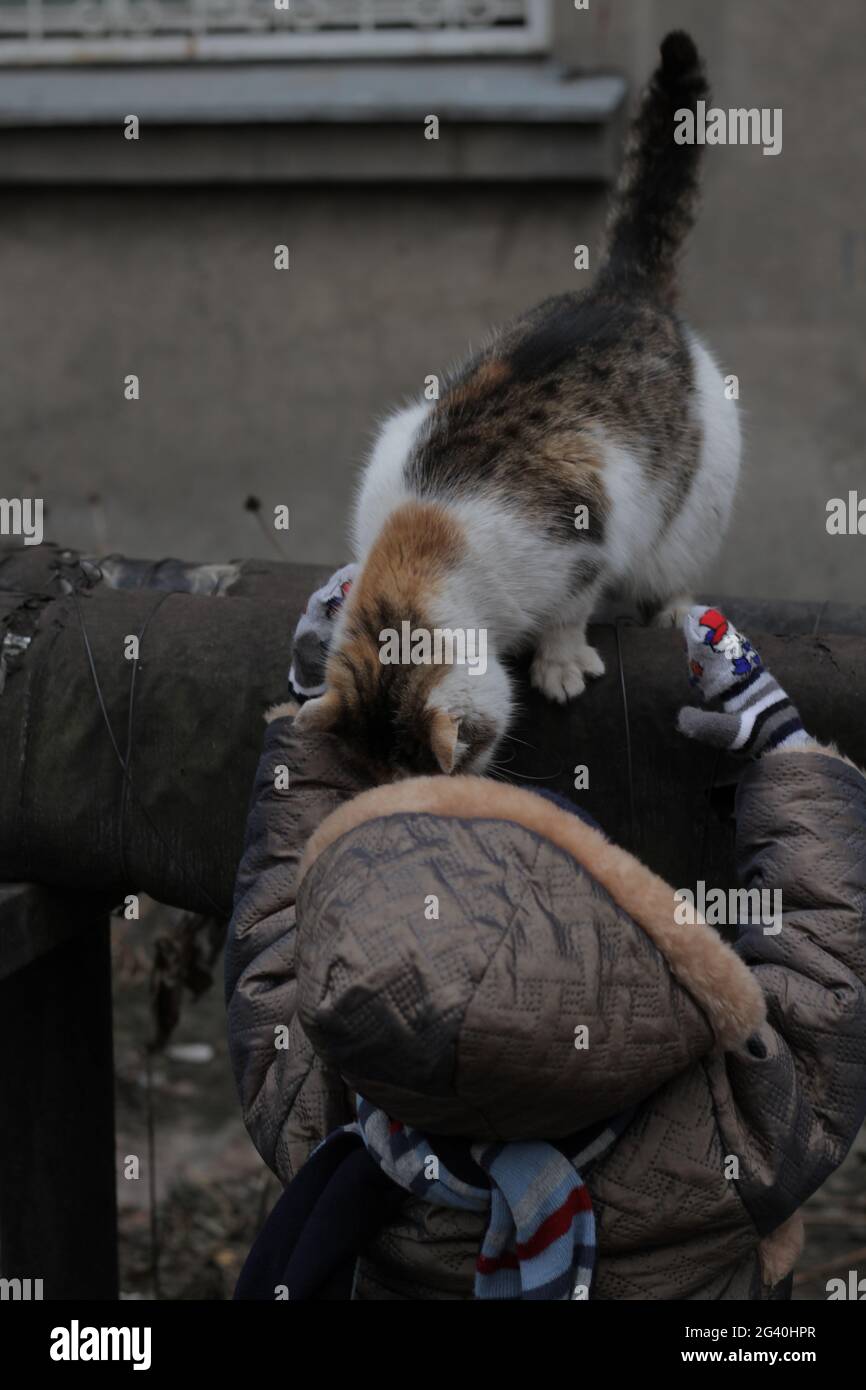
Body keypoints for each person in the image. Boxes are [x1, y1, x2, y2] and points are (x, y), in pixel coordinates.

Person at [225, 600, 866, 1300]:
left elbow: (277, 929)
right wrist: (780, 743)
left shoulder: (322, 1114)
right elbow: (826, 983)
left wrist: (319, 711)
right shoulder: (729, 1140)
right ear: (633, 955)